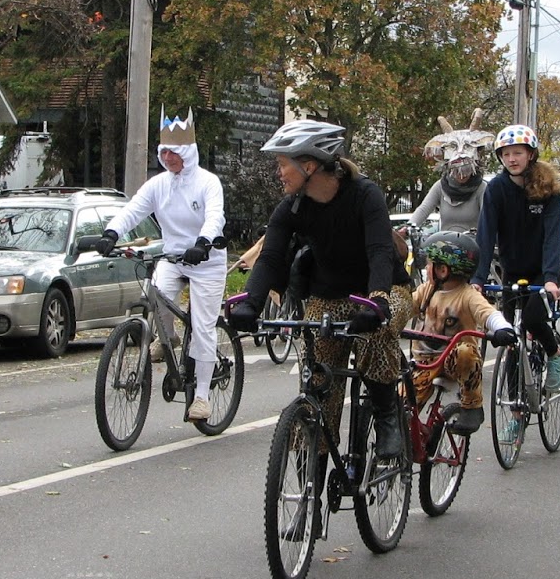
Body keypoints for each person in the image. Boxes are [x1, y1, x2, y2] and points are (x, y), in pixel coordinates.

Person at [225, 119, 413, 459]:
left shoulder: (365, 195)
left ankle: (387, 416)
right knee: (318, 386)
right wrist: (250, 304)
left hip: (385, 290)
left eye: (283, 164)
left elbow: (380, 252)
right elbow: (269, 257)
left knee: (379, 332)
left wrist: (378, 300)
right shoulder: (293, 206)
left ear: (309, 165)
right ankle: (310, 470)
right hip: (329, 297)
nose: (278, 173)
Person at [98, 110, 226, 422]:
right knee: (159, 295)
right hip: (172, 257)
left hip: (205, 259)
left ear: (187, 153)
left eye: (173, 152)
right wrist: (111, 233)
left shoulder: (208, 183)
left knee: (204, 327)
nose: (167, 158)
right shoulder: (159, 185)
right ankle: (168, 337)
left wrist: (203, 242)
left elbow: (215, 216)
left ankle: (202, 396)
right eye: (164, 152)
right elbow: (133, 210)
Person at [475, 124, 560, 390]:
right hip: (512, 269)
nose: (512, 159)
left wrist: (551, 279)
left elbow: (552, 238)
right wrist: (478, 278)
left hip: (542, 270)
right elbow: (485, 235)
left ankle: (555, 355)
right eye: (506, 154)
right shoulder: (496, 189)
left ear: (531, 155)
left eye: (518, 153)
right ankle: (515, 411)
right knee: (509, 337)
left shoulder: (548, 188)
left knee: (533, 319)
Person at [406, 231, 513, 435]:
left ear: (442, 269)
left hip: (453, 361)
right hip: (424, 362)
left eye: (430, 264)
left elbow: (488, 313)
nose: (426, 268)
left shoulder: (467, 295)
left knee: (466, 351)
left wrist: (503, 328)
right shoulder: (426, 290)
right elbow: (405, 308)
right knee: (400, 406)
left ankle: (472, 406)